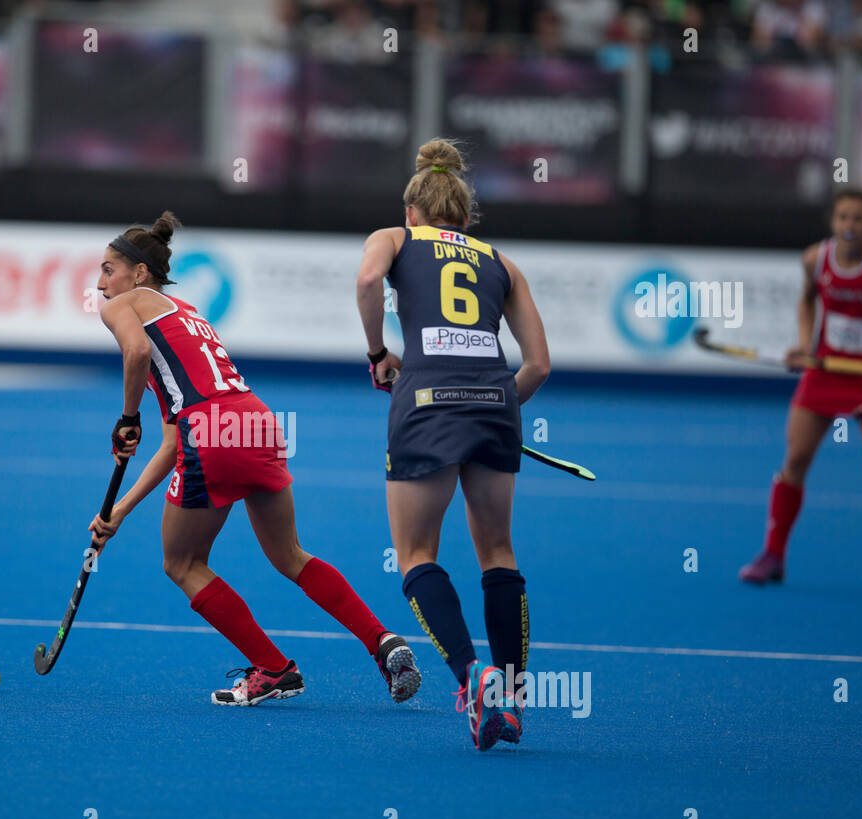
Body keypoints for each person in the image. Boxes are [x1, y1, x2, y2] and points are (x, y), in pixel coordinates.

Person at [87, 211, 422, 705]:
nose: (100, 283)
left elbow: (135, 355)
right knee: (290, 554)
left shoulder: (124, 306)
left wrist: (127, 416)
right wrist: (118, 512)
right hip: (255, 420)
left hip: (210, 430)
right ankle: (382, 640)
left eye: (108, 269)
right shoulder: (187, 312)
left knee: (182, 563)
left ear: (139, 273)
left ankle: (274, 668)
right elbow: (175, 443)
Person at [355, 138, 551, 751]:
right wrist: (495, 403)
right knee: (499, 552)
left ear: (411, 209)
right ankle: (513, 700)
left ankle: (473, 677)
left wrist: (378, 352)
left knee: (415, 553)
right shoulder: (501, 261)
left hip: (425, 402)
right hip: (496, 405)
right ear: (466, 217)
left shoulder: (394, 238)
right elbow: (539, 365)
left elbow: (366, 282)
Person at [739, 188, 862, 592]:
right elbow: (807, 301)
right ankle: (772, 554)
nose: (850, 226)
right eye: (843, 217)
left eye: (859, 219)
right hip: (824, 372)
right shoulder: (814, 259)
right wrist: (805, 345)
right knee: (797, 457)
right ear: (833, 222)